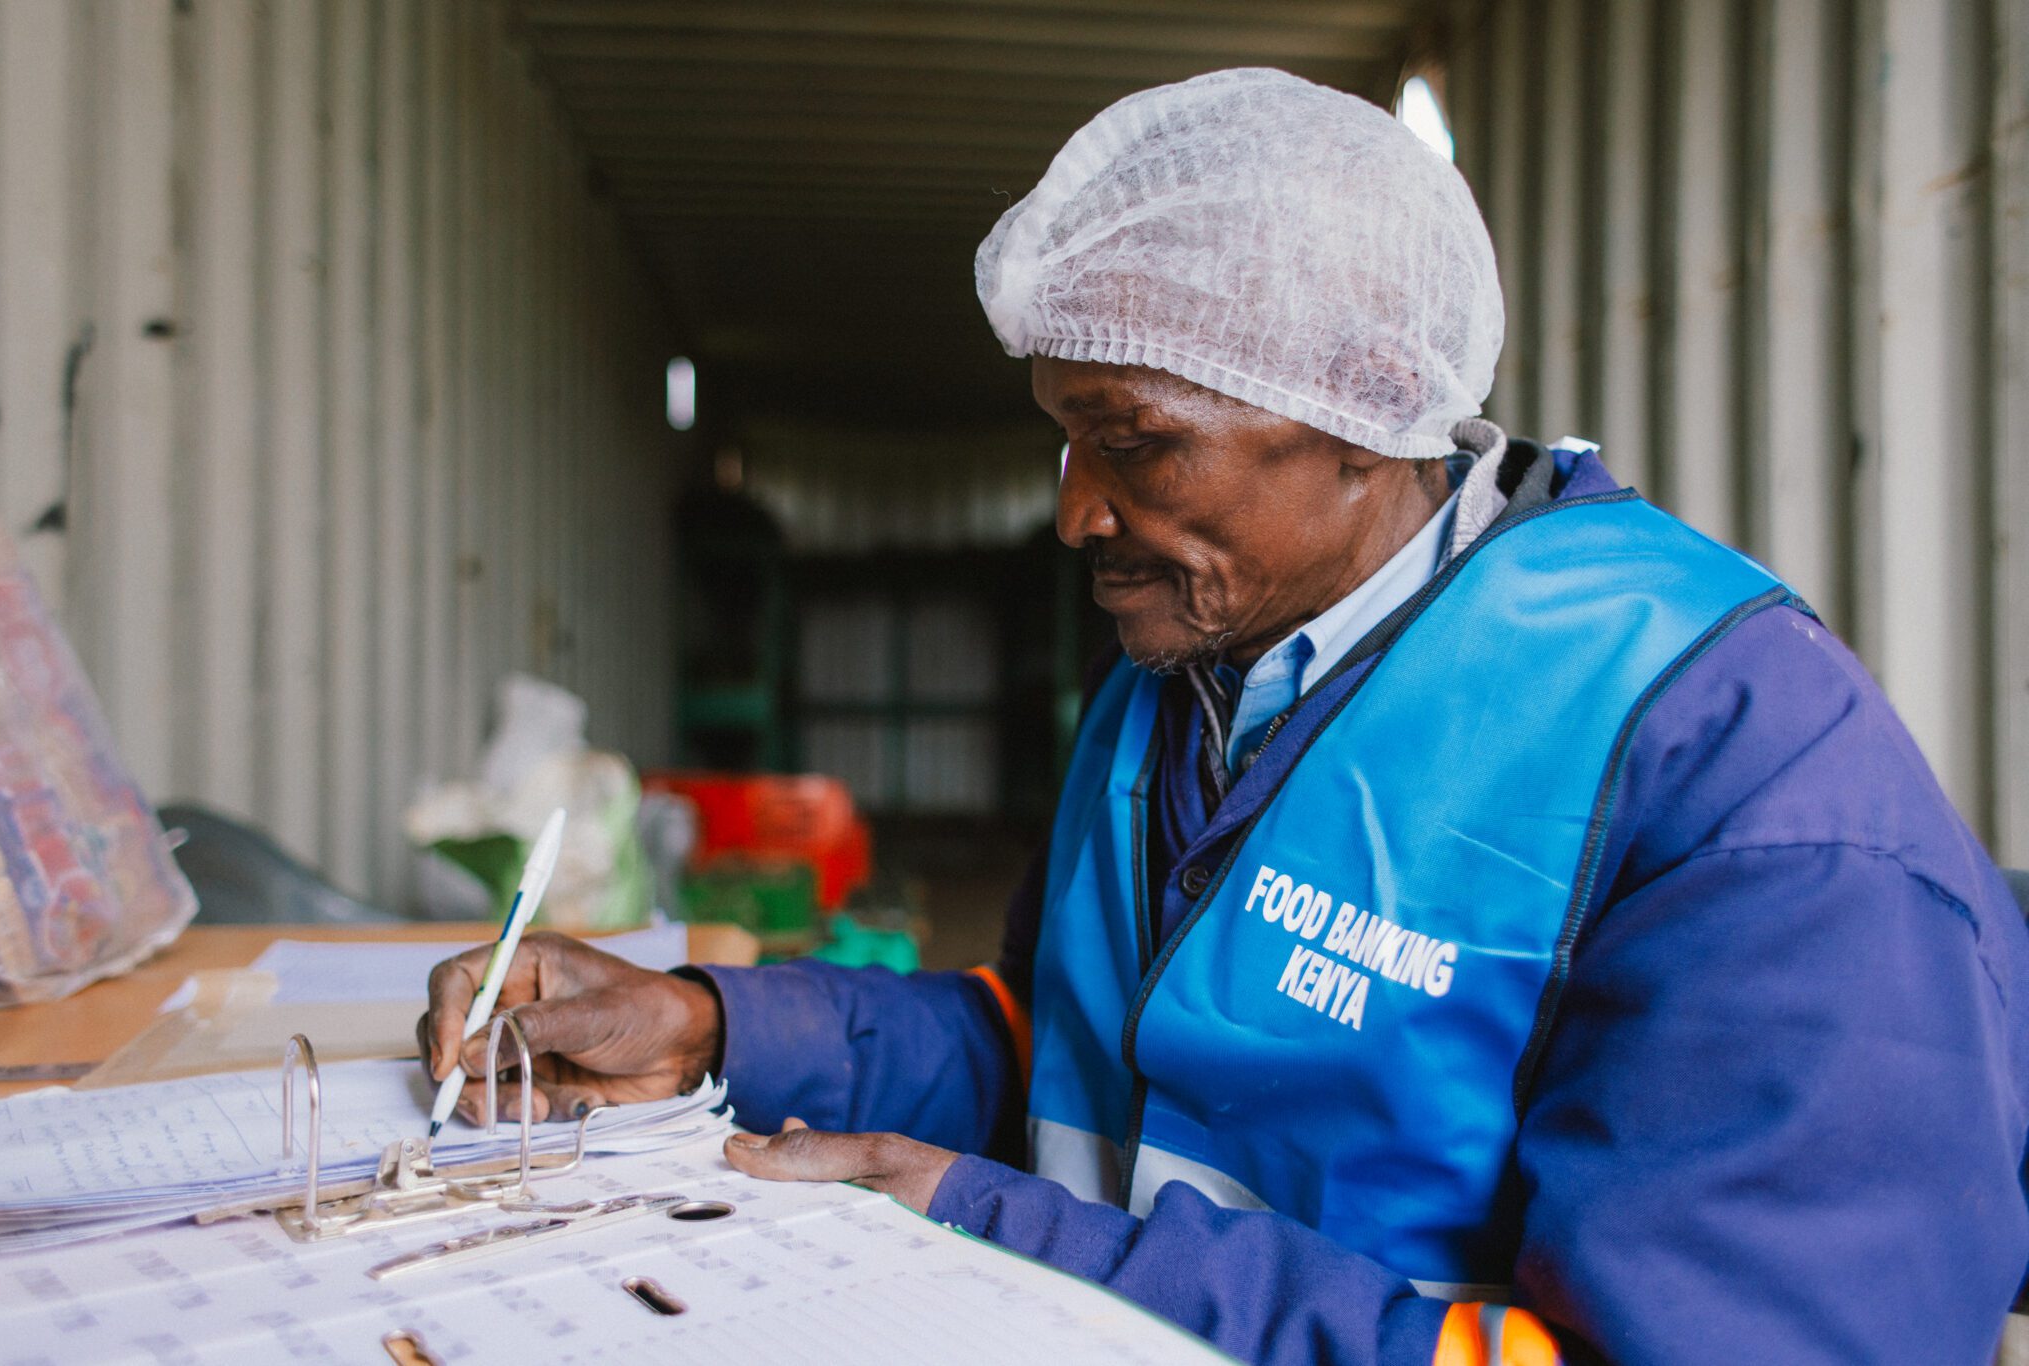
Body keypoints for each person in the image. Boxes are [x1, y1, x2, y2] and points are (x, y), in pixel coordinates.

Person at [420, 69, 2029, 1364]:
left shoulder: (1739, 773)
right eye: (1063, 438)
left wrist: (1014, 1245)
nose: (1073, 516)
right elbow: (1074, 1061)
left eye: (1133, 441)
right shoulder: (1188, 678)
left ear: (1364, 409)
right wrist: (715, 1025)